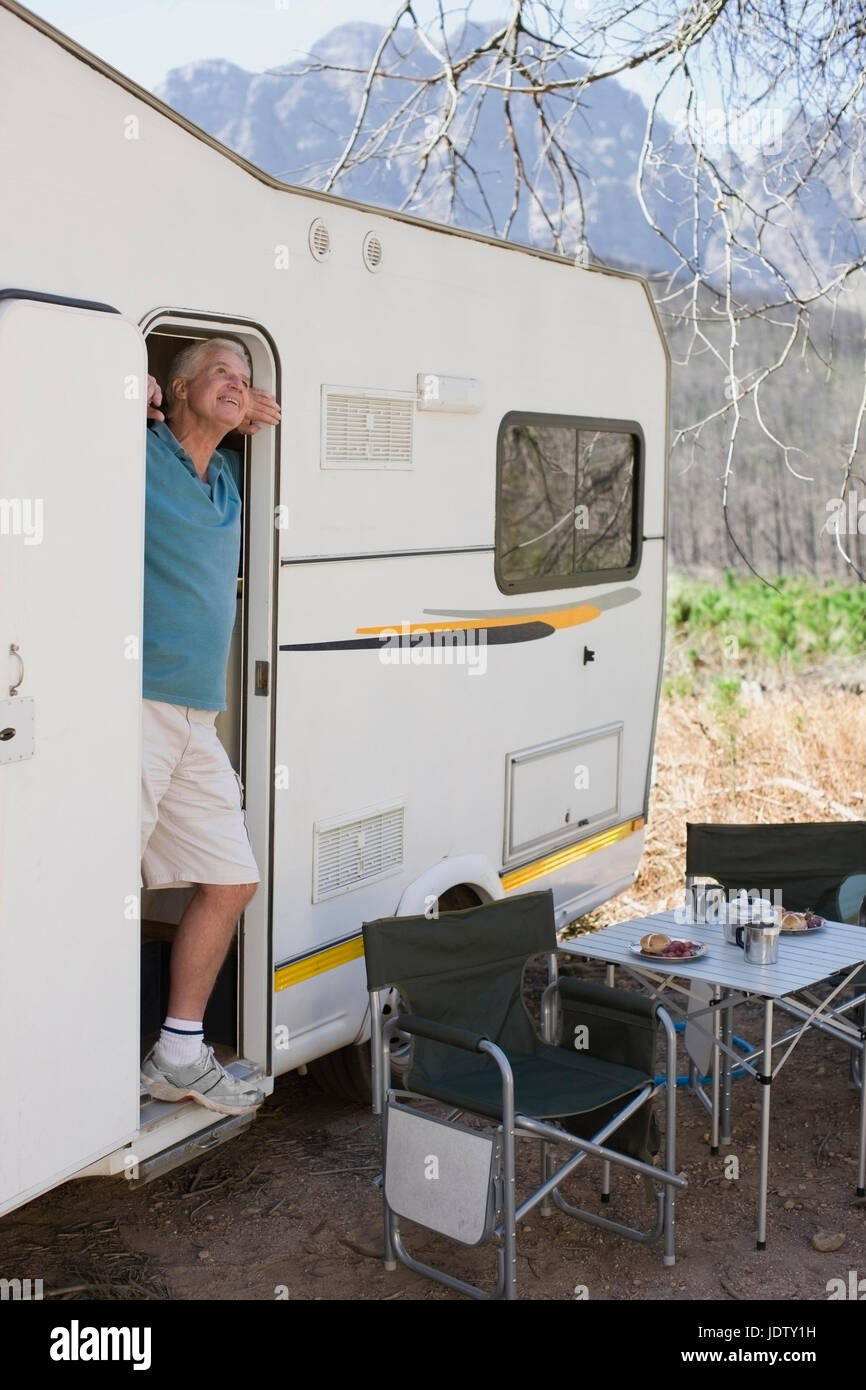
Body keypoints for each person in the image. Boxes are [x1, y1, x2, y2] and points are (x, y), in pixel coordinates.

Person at [139, 337, 280, 1115]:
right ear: (178, 387)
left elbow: (263, 411)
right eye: (221, 371)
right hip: (133, 703)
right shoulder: (140, 453)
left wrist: (240, 404)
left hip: (197, 716)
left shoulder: (225, 479)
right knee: (98, 888)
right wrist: (129, 391)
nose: (238, 382)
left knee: (233, 879)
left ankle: (178, 1055)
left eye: (247, 374)